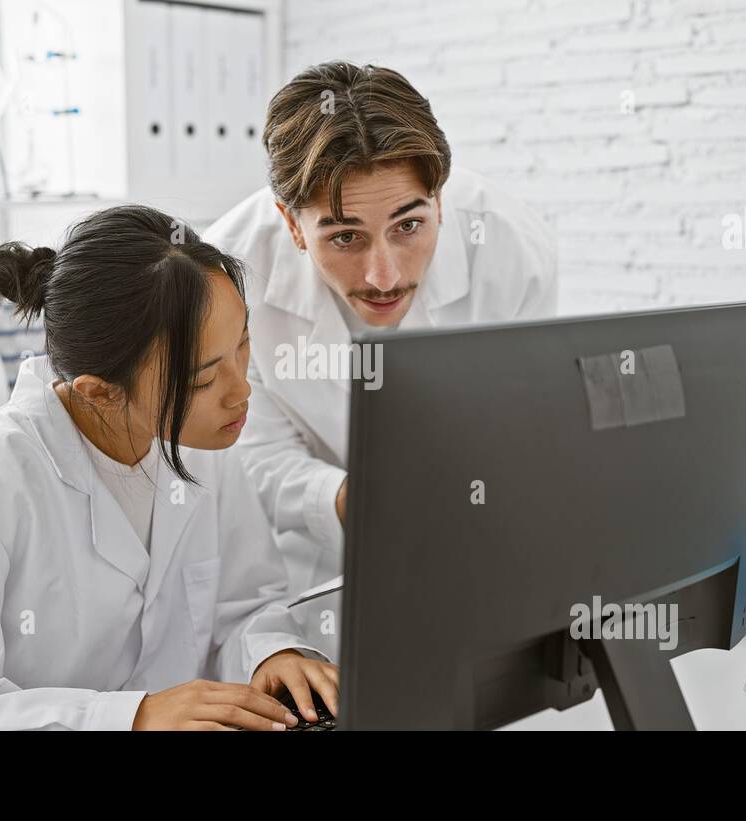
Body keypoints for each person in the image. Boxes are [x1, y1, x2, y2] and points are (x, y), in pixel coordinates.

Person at [0, 205, 338, 731]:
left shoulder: (202, 442)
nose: (241, 390)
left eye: (242, 346)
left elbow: (243, 604)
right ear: (99, 391)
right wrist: (127, 719)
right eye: (204, 380)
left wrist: (271, 655)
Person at [205, 61, 559, 594]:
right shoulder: (226, 276)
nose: (384, 276)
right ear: (290, 224)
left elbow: (521, 421)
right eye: (345, 237)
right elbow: (250, 455)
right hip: (307, 566)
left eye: (409, 226)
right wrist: (358, 498)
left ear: (439, 200)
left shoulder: (511, 250)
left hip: (474, 539)